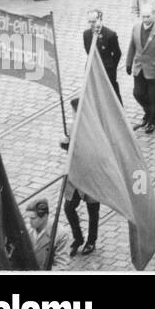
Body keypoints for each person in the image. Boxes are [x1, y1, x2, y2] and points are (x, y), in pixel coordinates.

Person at [125, 3, 155, 134]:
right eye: (143, 16)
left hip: (154, 69)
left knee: (153, 96)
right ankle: (148, 111)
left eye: (148, 16)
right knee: (138, 93)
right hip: (139, 67)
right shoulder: (136, 27)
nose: (145, 19)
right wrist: (129, 63)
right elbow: (132, 46)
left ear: (154, 15)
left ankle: (151, 121)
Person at [62, 101, 100, 258]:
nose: (75, 113)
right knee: (69, 207)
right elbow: (66, 143)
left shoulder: (95, 126)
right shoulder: (72, 126)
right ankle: (78, 238)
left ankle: (91, 240)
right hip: (75, 173)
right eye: (74, 110)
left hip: (91, 173)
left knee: (93, 209)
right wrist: (66, 142)